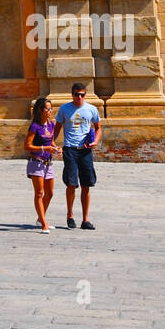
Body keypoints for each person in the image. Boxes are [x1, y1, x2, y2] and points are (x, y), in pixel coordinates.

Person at [53, 83, 101, 229]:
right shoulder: (64, 109)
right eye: (76, 94)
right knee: (71, 184)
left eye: (82, 95)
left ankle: (85, 219)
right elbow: (57, 128)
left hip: (85, 150)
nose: (79, 97)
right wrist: (53, 144)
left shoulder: (91, 109)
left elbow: (98, 127)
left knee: (86, 185)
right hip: (70, 149)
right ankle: (70, 216)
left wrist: (96, 141)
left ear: (85, 95)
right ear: (72, 94)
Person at [24, 96, 61, 232]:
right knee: (39, 193)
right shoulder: (35, 126)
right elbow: (27, 146)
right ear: (40, 110)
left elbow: (50, 142)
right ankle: (44, 223)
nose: (50, 111)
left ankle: (41, 218)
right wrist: (44, 149)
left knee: (50, 193)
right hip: (36, 163)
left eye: (51, 108)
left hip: (48, 163)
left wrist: (56, 148)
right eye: (48, 108)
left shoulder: (51, 125)